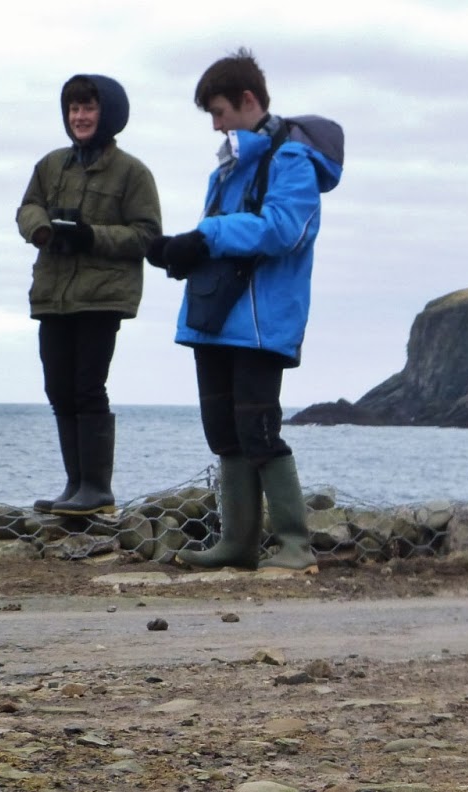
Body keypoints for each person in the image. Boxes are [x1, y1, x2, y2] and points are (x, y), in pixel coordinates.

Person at [147, 49, 341, 573]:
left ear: (248, 100)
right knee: (224, 432)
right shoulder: (230, 165)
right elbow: (220, 237)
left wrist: (204, 236)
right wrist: (176, 250)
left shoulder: (292, 161)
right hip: (215, 321)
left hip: (261, 324)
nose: (215, 125)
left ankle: (296, 544)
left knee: (257, 429)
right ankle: (238, 543)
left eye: (219, 112)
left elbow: (285, 230)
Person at [17, 74, 160, 517]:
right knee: (58, 388)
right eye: (73, 108)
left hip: (101, 297)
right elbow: (27, 206)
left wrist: (90, 236)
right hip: (54, 294)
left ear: (109, 114)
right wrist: (40, 228)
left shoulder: (132, 172)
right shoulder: (51, 165)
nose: (79, 117)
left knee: (86, 388)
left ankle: (97, 490)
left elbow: (147, 236)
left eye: (89, 108)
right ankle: (74, 486)